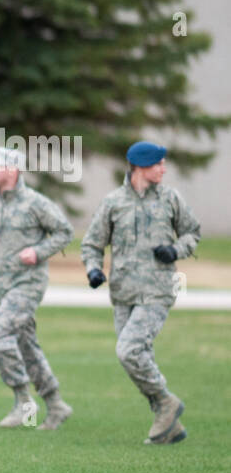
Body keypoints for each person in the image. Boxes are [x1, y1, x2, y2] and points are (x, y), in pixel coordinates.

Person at [81, 140, 200, 445]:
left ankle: (166, 401)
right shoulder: (113, 202)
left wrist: (175, 250)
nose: (164, 168)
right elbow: (92, 243)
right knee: (136, 356)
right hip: (123, 293)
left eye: (163, 163)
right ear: (140, 167)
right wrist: (93, 269)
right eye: (158, 164)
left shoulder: (171, 198)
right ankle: (169, 427)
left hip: (157, 291)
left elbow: (192, 232)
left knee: (129, 350)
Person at [0, 147, 75, 429]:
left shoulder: (35, 203)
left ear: (12, 170)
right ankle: (56, 405)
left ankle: (23, 401)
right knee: (26, 346)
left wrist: (39, 251)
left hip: (28, 285)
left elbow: (65, 231)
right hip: (3, 287)